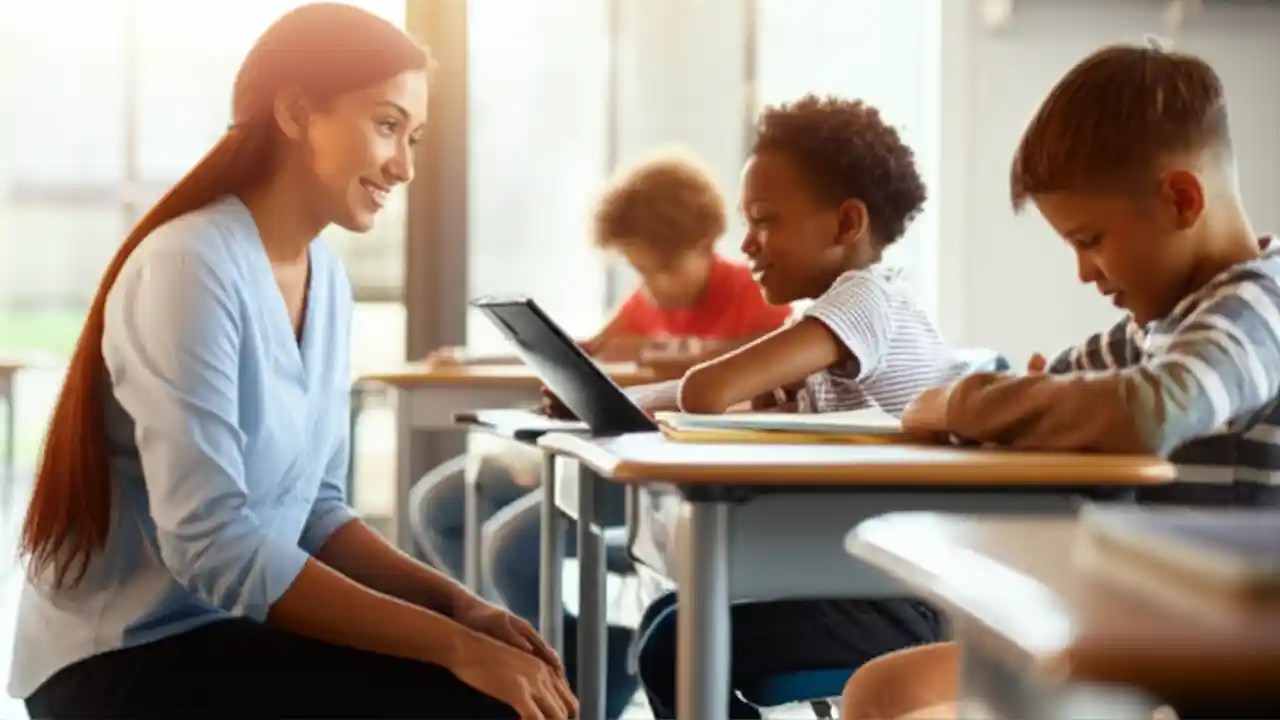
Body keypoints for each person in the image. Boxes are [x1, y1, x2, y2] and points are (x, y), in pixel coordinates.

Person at [10, 5, 574, 719]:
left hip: (232, 631)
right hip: (123, 660)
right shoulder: (191, 264)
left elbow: (314, 510)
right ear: (298, 112)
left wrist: (463, 610)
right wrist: (452, 646)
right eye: (386, 125)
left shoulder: (326, 278)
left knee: (499, 682)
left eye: (414, 137)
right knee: (473, 697)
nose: (403, 165)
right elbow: (213, 546)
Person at [845, 43, 1280, 720]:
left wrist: (971, 403)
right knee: (883, 691)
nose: (1083, 271)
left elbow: (1153, 409)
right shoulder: (1158, 324)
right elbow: (1051, 381)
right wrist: (1011, 395)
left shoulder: (1258, 310)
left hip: (1226, 666)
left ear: (1180, 199)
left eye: (1090, 239)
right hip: (1146, 635)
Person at [632, 95, 971, 719]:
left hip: (908, 598)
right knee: (667, 619)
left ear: (846, 224)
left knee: (674, 642)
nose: (746, 244)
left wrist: (661, 397)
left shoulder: (863, 302)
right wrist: (621, 401)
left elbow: (707, 394)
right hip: (860, 578)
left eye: (764, 221)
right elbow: (722, 394)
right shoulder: (832, 319)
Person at [419, 151, 791, 718]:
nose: (653, 289)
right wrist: (476, 356)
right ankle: (571, 660)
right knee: (444, 504)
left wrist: (660, 352)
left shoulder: (753, 295)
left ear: (705, 244)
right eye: (640, 272)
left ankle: (566, 686)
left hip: (676, 482)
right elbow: (588, 355)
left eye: (662, 271)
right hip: (622, 457)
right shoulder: (646, 303)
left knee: (510, 546)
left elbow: (763, 364)